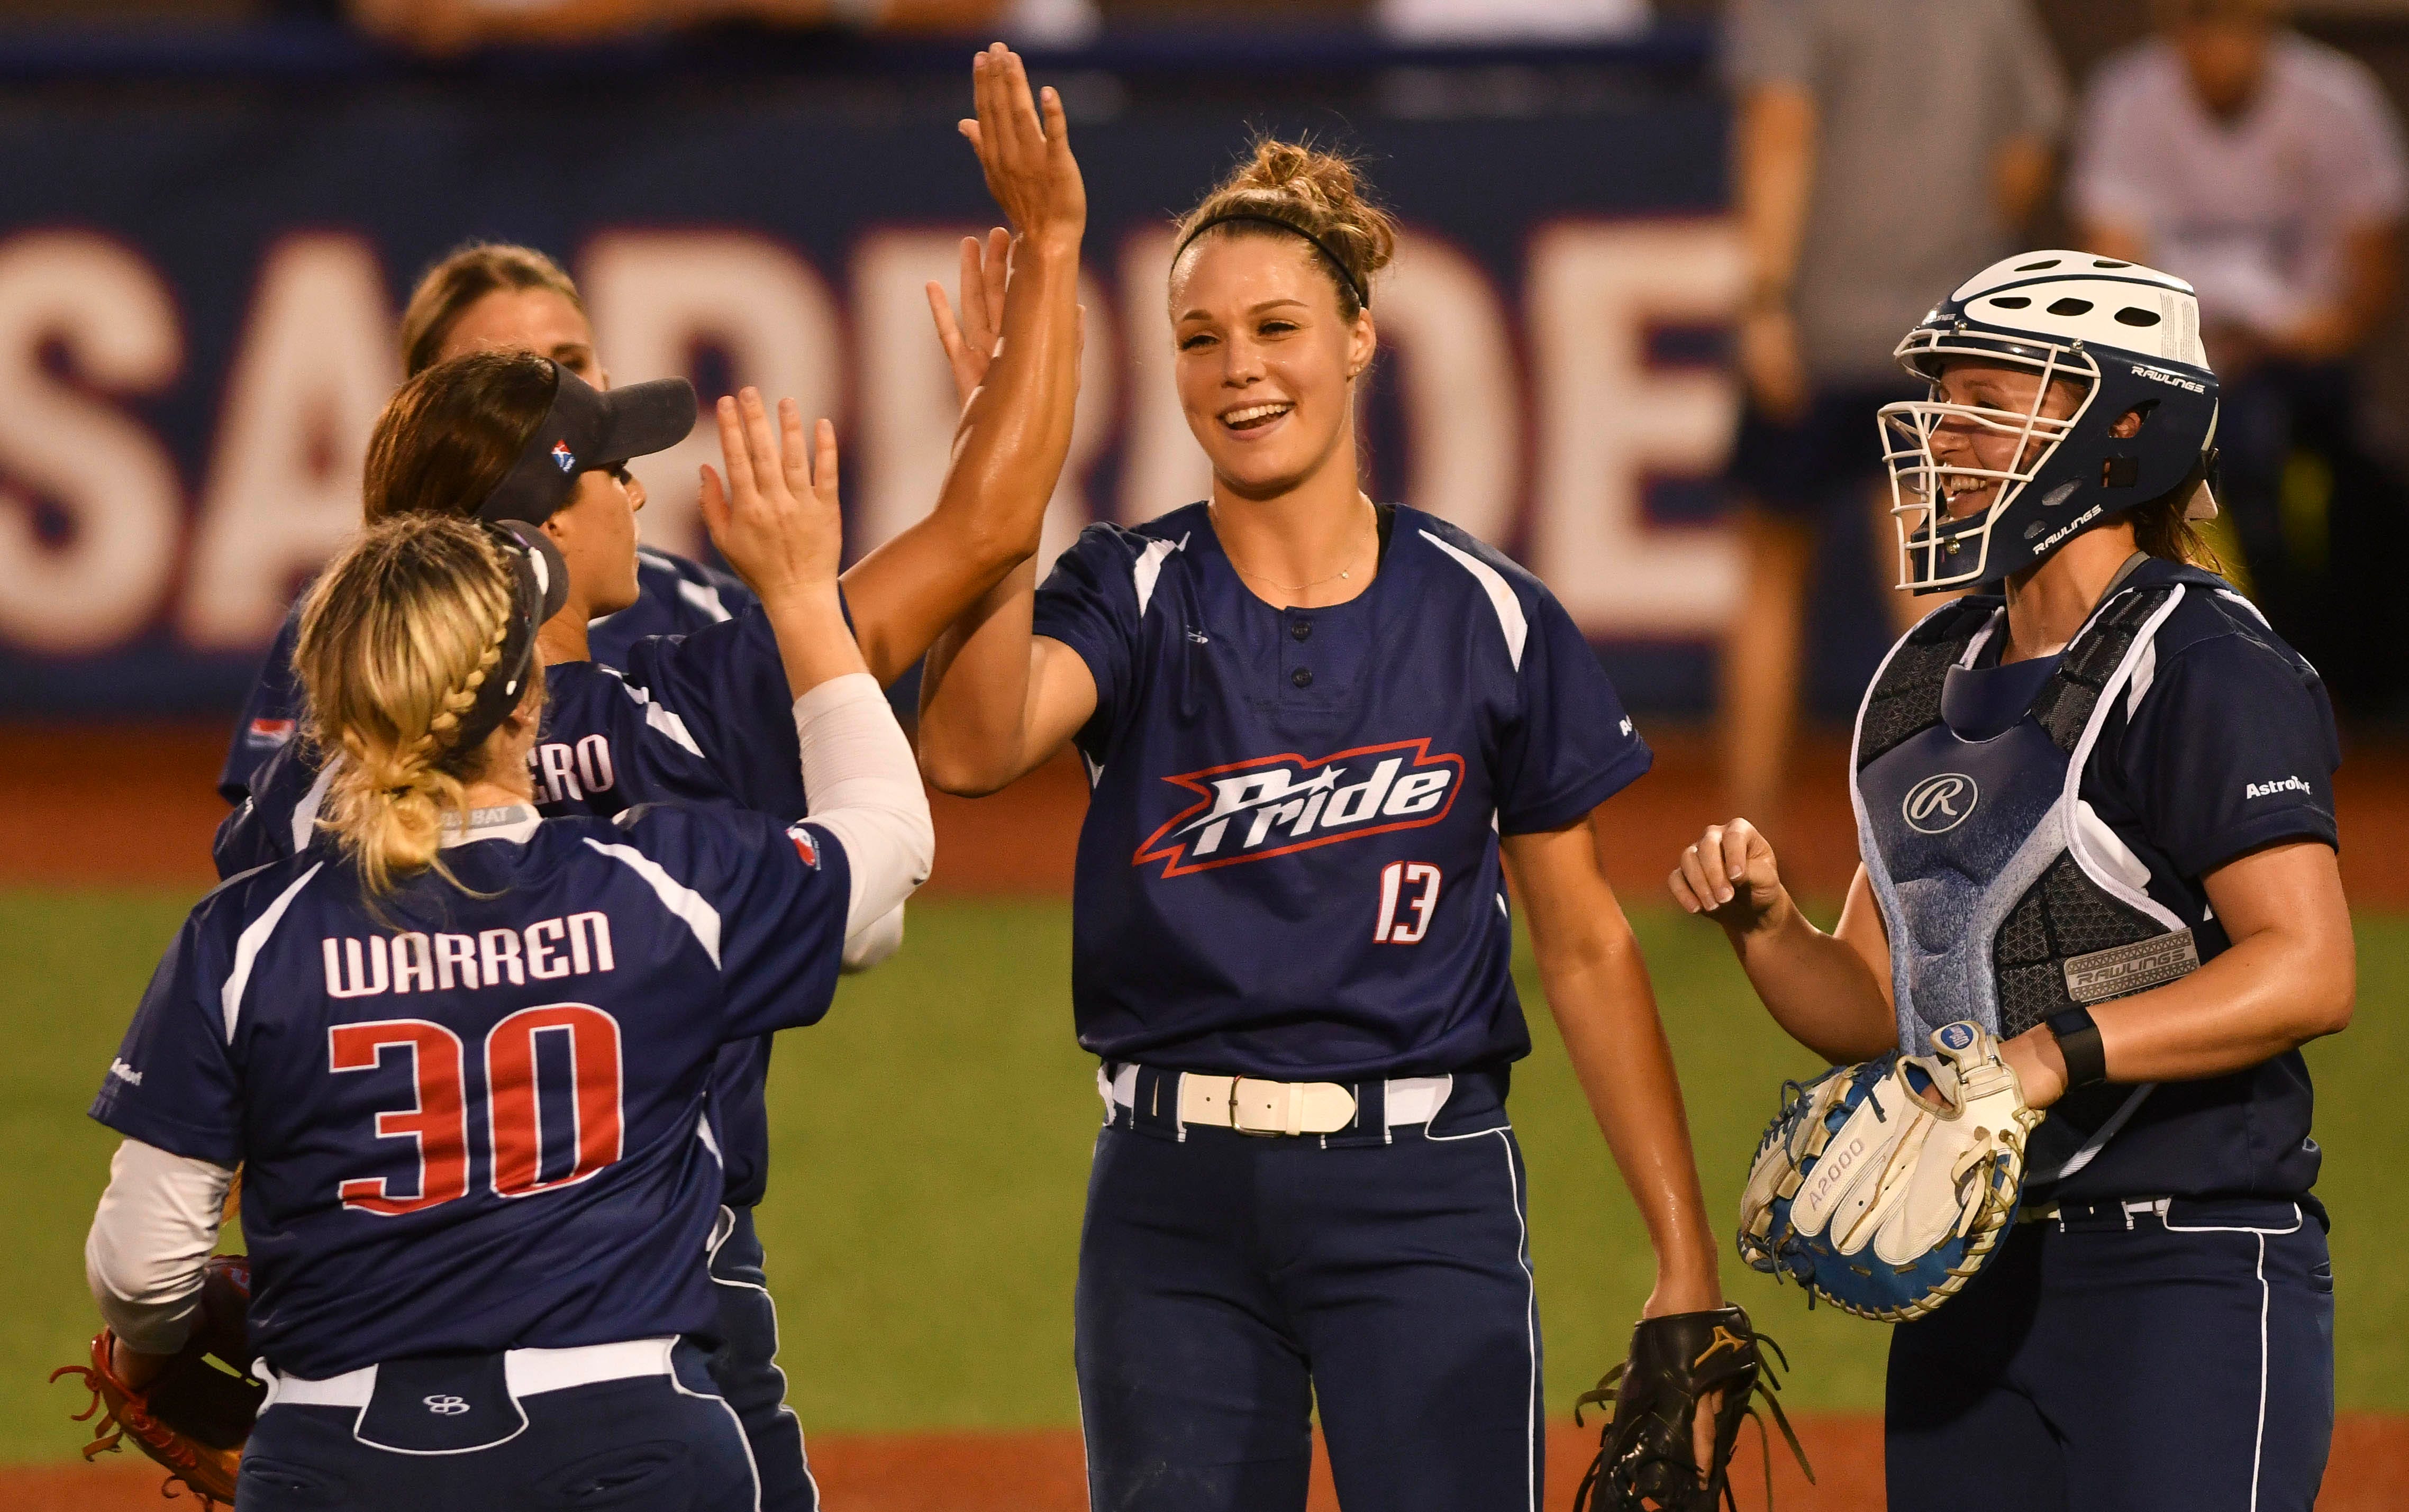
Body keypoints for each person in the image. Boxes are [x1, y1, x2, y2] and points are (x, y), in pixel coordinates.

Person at [211, 45, 1085, 1511]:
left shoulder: (333, 744)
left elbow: (246, 1000)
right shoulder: (689, 693)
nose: (628, 472)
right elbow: (978, 554)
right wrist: (1052, 252)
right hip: (643, 1308)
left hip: (375, 1320)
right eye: (583, 435)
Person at [915, 139, 1737, 1512]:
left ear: (1360, 336)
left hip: (1424, 1200)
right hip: (1169, 1204)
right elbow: (968, 742)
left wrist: (1684, 1254)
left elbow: (1587, 947)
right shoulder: (1135, 588)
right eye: (1199, 337)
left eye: (1277, 327)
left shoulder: (1490, 615)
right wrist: (998, 480)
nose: (1238, 366)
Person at [84, 396, 933, 1509]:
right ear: (529, 703)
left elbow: (142, 1272)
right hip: (630, 1442)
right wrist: (798, 597)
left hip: (338, 1459)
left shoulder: (245, 937)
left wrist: (195, 1331)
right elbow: (888, 838)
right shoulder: (655, 889)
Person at [1671, 252, 2353, 1511]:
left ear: (2123, 429)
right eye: (1946, 402)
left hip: (2186, 1269)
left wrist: (2049, 1055)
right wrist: (1767, 930)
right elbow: (1884, 1003)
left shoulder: (2202, 662)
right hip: (1963, 1281)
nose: (1947, 432)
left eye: (1991, 400)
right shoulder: (1923, 673)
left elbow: (2306, 969)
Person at [220, 242, 757, 807]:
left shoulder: (702, 606)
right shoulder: (353, 622)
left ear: (604, 375)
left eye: (570, 362)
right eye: (504, 367)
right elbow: (282, 842)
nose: (546, 389)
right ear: (429, 401)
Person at [1719, 0, 2066, 822]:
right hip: (1944, 335)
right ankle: (1962, 820)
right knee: (1934, 587)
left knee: (1772, 574)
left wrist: (1765, 295)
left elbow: (1779, 129)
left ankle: (1746, 827)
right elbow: (2025, 155)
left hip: (1815, 327)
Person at [2069, 0, 2408, 685]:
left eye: (2232, 22)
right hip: (2174, 368)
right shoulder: (2125, 94)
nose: (2216, 45)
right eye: (2200, 23)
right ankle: (2175, 667)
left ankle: (2310, 667)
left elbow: (2369, 276)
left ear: (2267, 21)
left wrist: (2306, 334)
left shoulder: (2336, 97)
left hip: (2302, 371)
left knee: (2304, 470)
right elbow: (2111, 265)